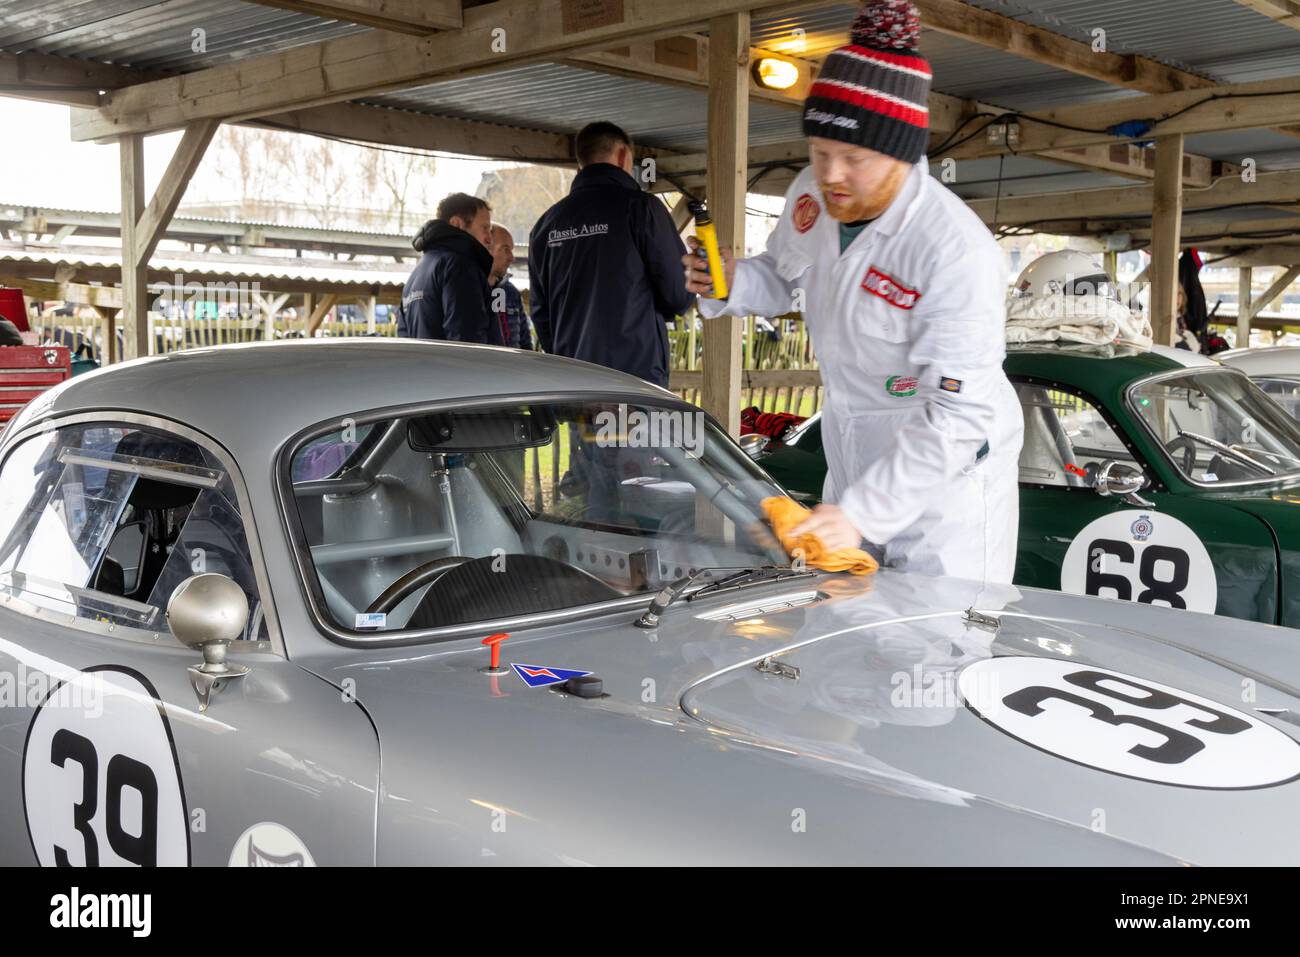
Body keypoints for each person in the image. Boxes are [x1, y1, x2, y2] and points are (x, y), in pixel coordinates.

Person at [683, 0, 1023, 584]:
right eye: (819, 153)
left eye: (853, 158)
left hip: (945, 479)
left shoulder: (953, 250)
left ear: (901, 155)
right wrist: (734, 283)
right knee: (847, 627)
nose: (831, 174)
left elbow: (959, 415)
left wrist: (865, 512)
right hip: (852, 445)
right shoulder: (811, 196)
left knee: (940, 643)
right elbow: (782, 278)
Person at [529, 121, 692, 386]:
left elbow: (541, 314)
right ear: (623, 155)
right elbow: (678, 295)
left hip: (575, 381)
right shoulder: (642, 209)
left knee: (587, 430)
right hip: (635, 379)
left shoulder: (546, 224)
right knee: (638, 430)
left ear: (580, 161)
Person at [398, 193, 502, 345]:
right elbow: (467, 341)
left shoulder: (415, 275)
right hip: (463, 368)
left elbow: (404, 336)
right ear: (457, 224)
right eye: (485, 228)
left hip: (422, 368)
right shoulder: (460, 266)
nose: (490, 239)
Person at [488, 223, 532, 350]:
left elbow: (525, 343)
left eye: (511, 250)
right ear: (486, 247)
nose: (512, 258)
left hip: (513, 368)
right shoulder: (471, 290)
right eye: (505, 249)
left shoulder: (510, 292)